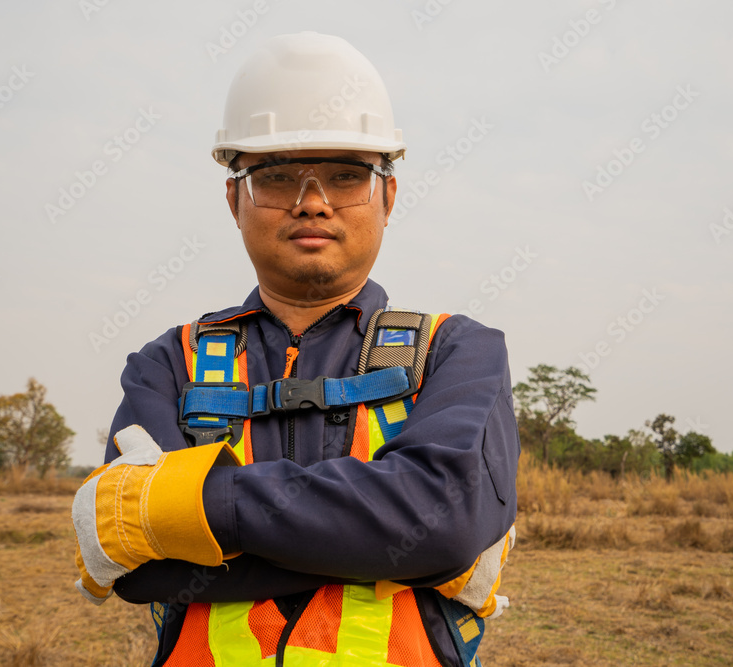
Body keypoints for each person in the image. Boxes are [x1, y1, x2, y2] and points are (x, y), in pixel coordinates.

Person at [72, 31, 519, 666]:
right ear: (234, 199)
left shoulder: (456, 350)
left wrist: (196, 508)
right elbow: (141, 570)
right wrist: (381, 539)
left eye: (345, 176)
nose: (312, 201)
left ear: (388, 197)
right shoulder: (169, 362)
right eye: (278, 177)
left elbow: (443, 522)